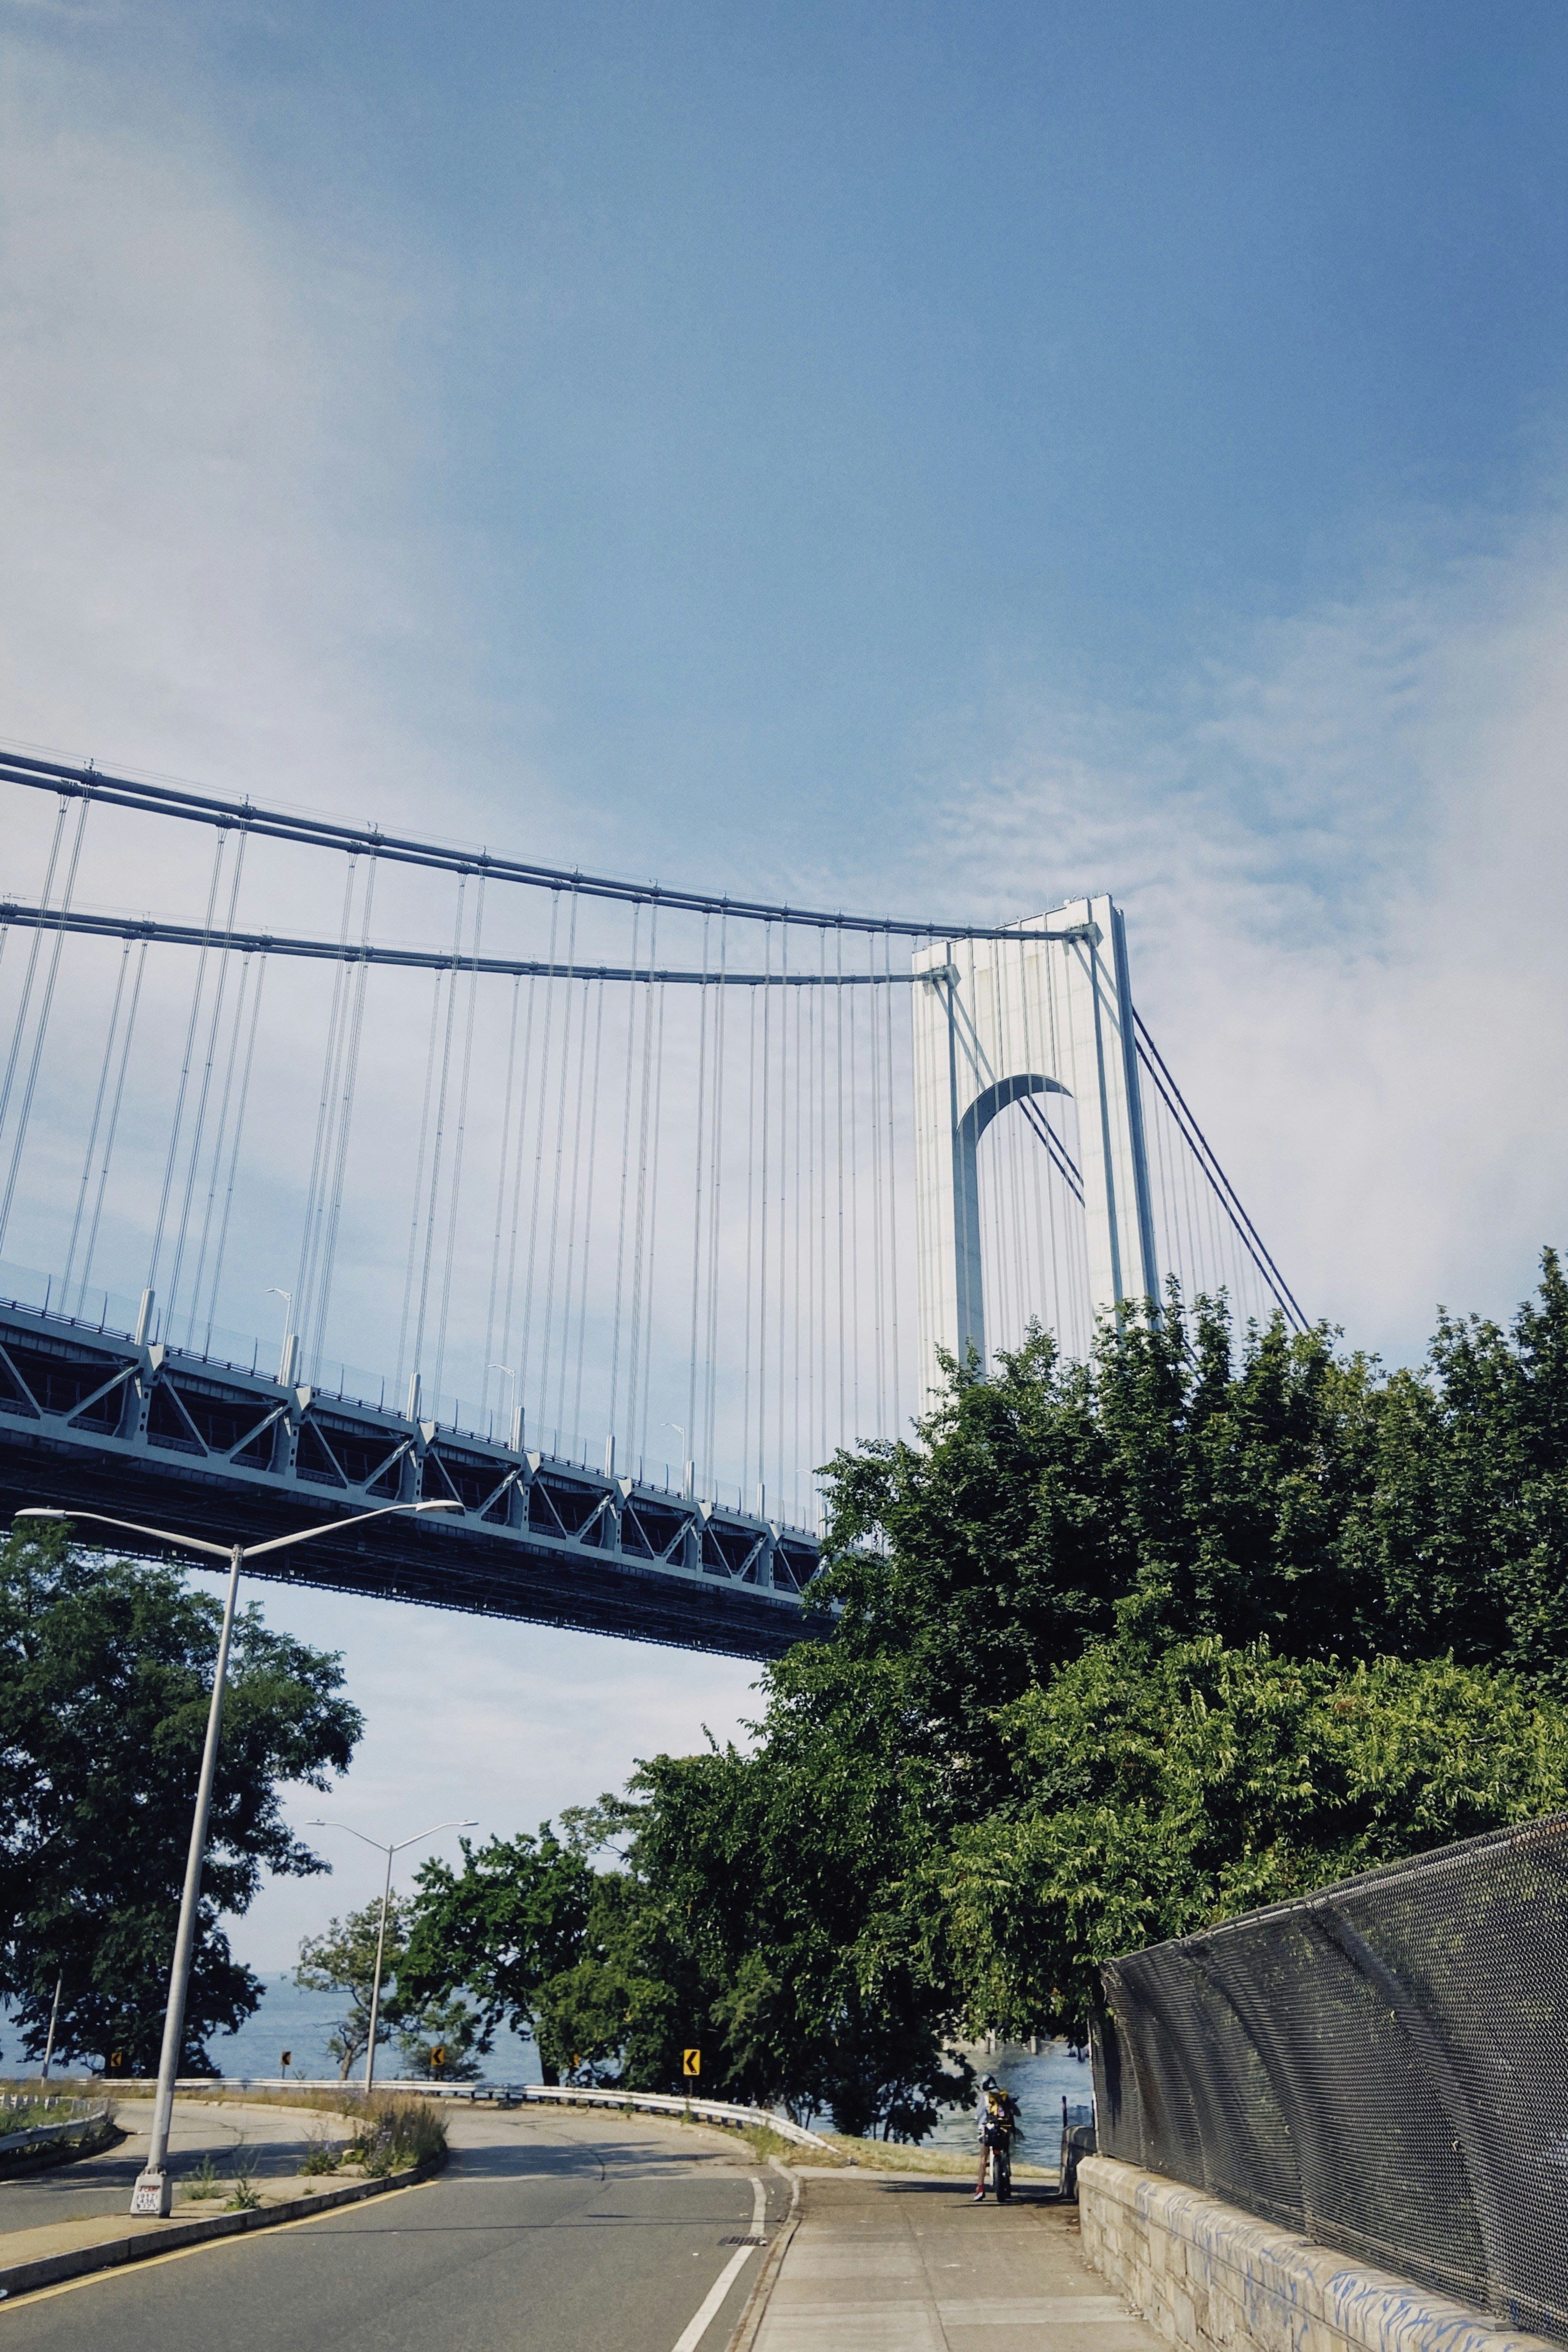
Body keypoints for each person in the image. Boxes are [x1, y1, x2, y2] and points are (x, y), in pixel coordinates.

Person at [972, 2074, 1019, 2202]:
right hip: (1002, 2130)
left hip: (986, 2131)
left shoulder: (984, 2097)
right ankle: (1007, 2178)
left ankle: (980, 2188)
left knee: (983, 2160)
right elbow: (1017, 2112)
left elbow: (977, 2116)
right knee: (1005, 2150)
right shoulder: (1003, 2096)